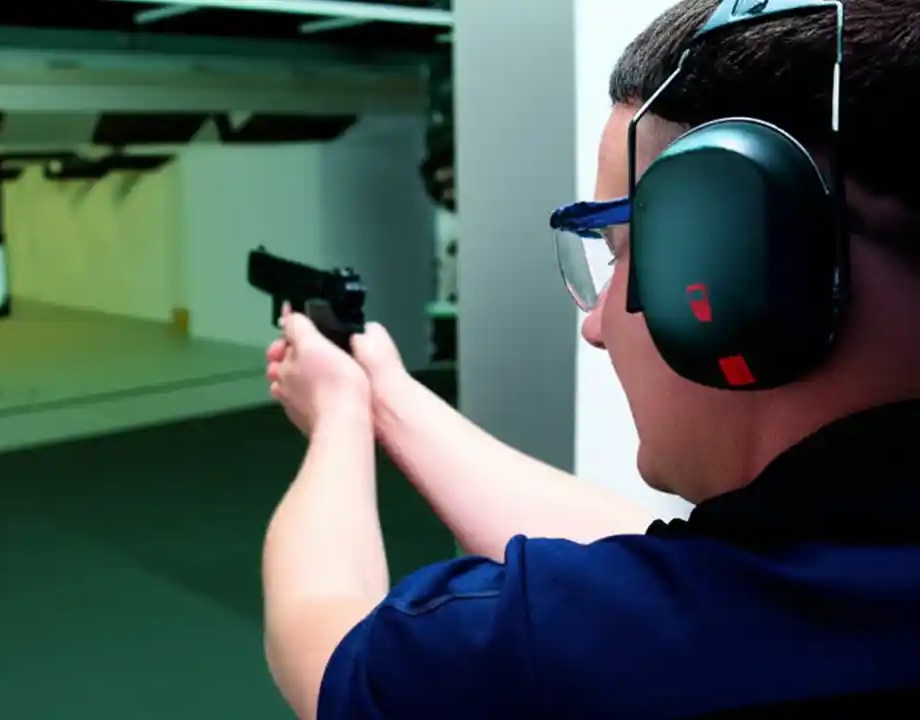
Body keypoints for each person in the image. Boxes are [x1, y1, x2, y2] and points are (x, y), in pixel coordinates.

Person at [260, 0, 920, 717]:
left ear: (728, 260)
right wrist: (385, 393)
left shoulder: (575, 659)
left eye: (619, 251)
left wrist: (336, 421)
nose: (598, 326)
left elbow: (327, 648)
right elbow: (670, 559)